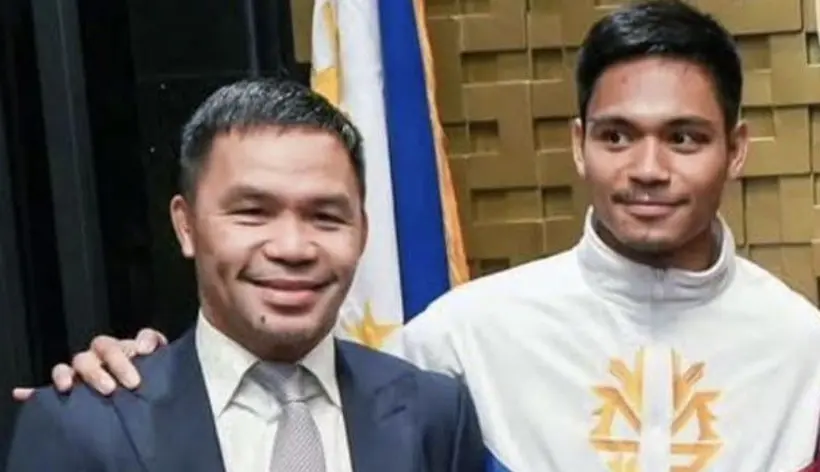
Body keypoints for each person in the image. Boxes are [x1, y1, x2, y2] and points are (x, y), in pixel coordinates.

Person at [15, 1, 820, 470]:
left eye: (684, 138)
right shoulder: (460, 340)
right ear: (579, 145)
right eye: (617, 136)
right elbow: (265, 359)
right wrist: (138, 368)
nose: (648, 169)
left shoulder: (803, 344)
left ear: (736, 149)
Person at [5, 79, 485, 472]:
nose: (292, 248)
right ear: (186, 226)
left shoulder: (435, 414)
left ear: (362, 231)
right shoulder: (84, 425)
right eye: (253, 213)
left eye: (325, 217)